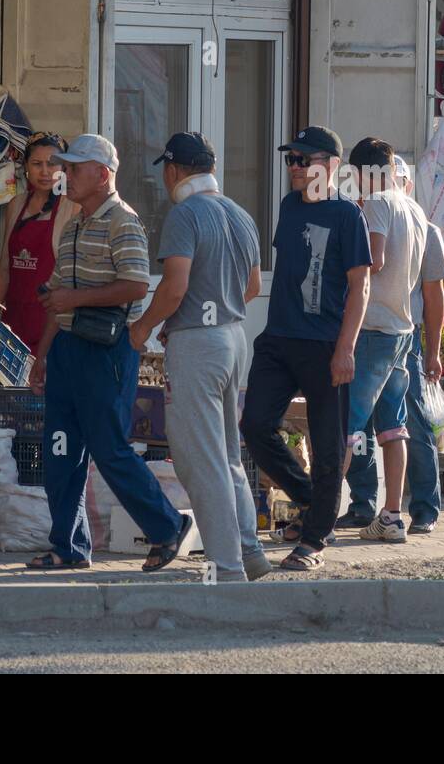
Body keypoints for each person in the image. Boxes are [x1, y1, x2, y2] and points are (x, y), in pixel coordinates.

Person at [27, 134, 190, 572]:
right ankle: (68, 546)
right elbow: (57, 298)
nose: (65, 175)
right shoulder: (74, 223)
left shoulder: (123, 221)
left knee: (109, 449)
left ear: (101, 174)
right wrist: (42, 356)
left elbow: (137, 285)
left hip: (107, 353)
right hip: (66, 351)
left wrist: (72, 301)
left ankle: (167, 526)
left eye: (74, 168)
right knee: (60, 450)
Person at [128, 132, 272, 583]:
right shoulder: (240, 213)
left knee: (199, 458)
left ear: (172, 171)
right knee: (227, 453)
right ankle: (248, 551)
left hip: (199, 344)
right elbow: (251, 288)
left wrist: (144, 326)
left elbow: (174, 287)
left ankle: (227, 568)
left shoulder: (184, 213)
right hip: (234, 337)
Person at [239, 126, 371, 571]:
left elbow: (360, 287)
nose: (294, 167)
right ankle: (315, 502)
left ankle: (314, 539)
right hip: (279, 339)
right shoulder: (289, 206)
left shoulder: (348, 215)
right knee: (255, 424)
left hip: (325, 344)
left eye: (303, 159)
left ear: (330, 166)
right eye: (290, 159)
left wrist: (346, 348)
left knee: (329, 445)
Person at [340, 155, 444, 534]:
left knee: (368, 423)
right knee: (385, 425)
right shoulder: (404, 214)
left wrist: (432, 351)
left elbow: (433, 295)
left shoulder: (399, 215)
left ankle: (422, 508)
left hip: (391, 334)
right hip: (397, 333)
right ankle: (374, 509)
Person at [0, 132, 79, 352]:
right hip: (13, 324)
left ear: (64, 168)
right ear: (26, 167)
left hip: (53, 326)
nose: (45, 171)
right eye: (37, 164)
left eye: (52, 164)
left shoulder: (73, 207)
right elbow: (4, 270)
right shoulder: (16, 204)